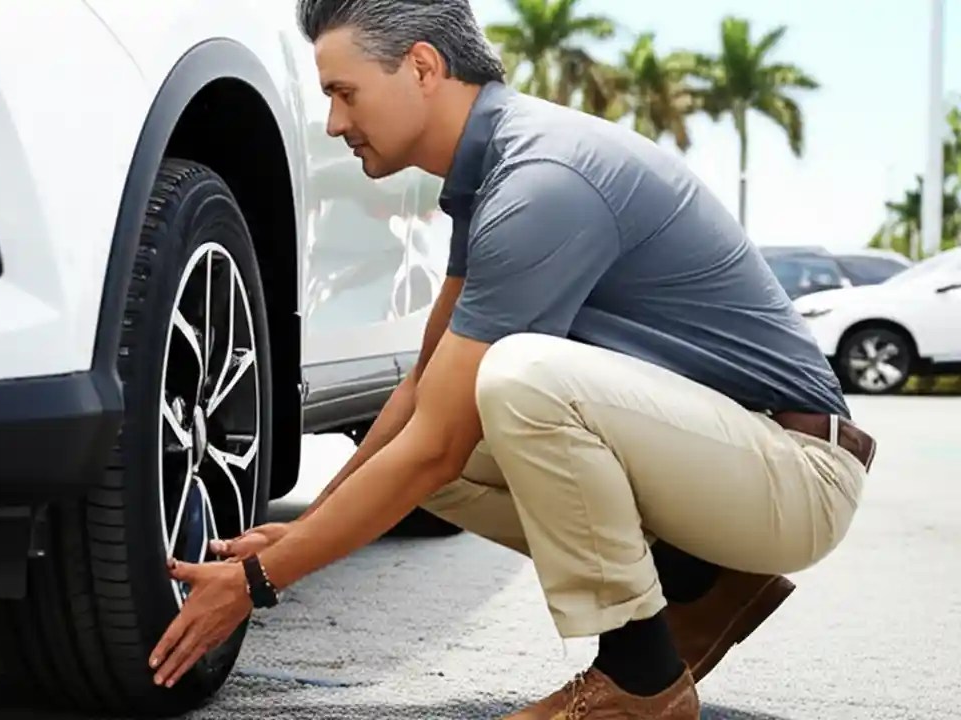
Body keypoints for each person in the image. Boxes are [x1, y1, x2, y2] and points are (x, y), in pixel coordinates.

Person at [146, 1, 877, 717]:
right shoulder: (490, 179)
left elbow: (435, 445)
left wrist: (263, 579)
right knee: (442, 434)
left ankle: (639, 681)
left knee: (519, 381)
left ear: (423, 67)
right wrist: (310, 526)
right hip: (725, 461)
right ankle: (693, 580)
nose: (335, 123)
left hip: (795, 470)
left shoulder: (541, 182)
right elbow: (422, 393)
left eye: (344, 92)